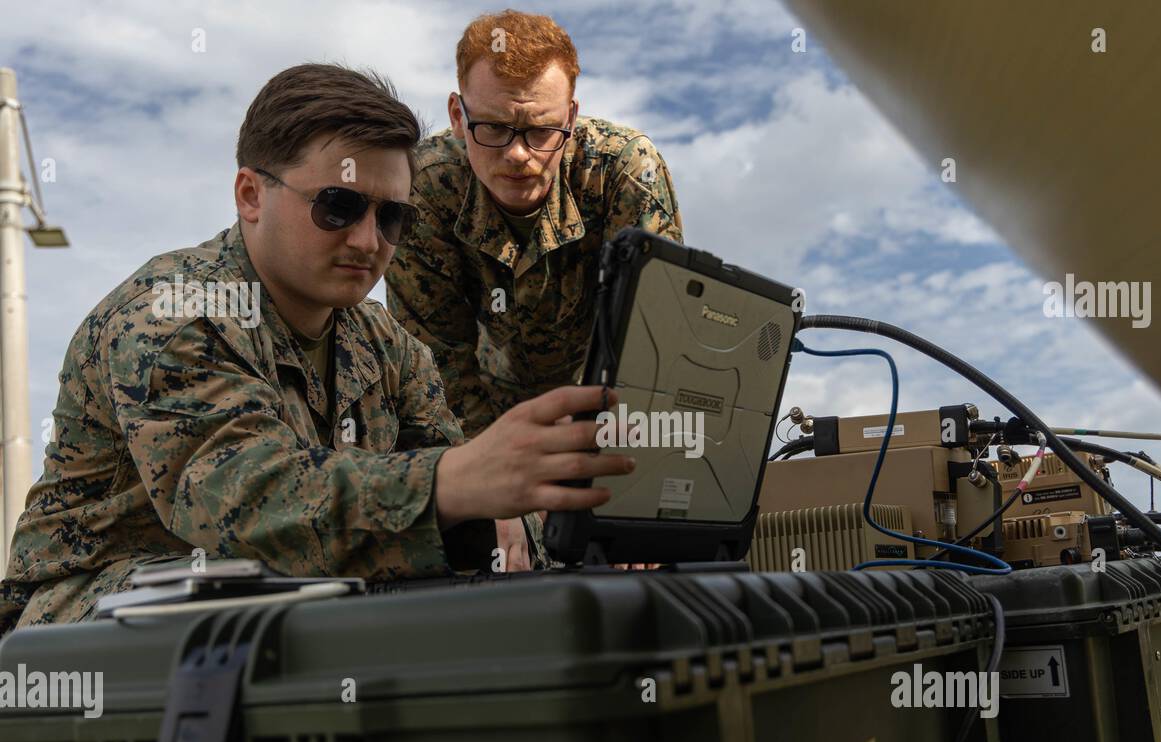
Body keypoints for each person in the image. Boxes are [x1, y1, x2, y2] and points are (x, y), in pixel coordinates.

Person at [0, 63, 633, 633]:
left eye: (392, 218)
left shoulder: (387, 346)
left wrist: (508, 515)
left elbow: (457, 489)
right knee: (251, 604)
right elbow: (248, 508)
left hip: (285, 600)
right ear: (251, 195)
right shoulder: (174, 312)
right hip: (92, 616)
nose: (368, 241)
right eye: (339, 206)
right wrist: (454, 483)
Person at [386, 9, 684, 441]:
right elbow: (437, 364)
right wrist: (493, 481)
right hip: (486, 408)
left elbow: (647, 342)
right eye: (493, 127)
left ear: (570, 117)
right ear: (457, 115)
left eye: (541, 131)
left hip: (607, 409)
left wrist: (586, 460)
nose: (518, 156)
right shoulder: (425, 188)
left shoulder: (624, 172)